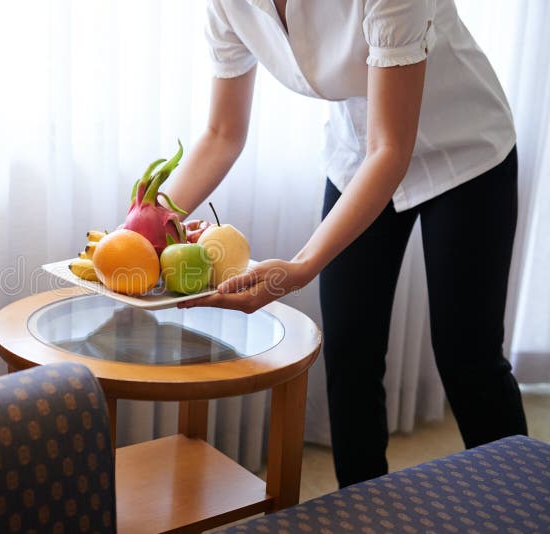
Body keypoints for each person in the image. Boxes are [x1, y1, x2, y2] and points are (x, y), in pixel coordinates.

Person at [164, 0, 528, 488]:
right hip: (360, 155)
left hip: (464, 152)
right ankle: (364, 512)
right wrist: (147, 224)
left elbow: (392, 148)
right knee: (350, 355)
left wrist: (301, 266)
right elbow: (221, 133)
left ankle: (524, 502)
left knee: (468, 358)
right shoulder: (229, 5)